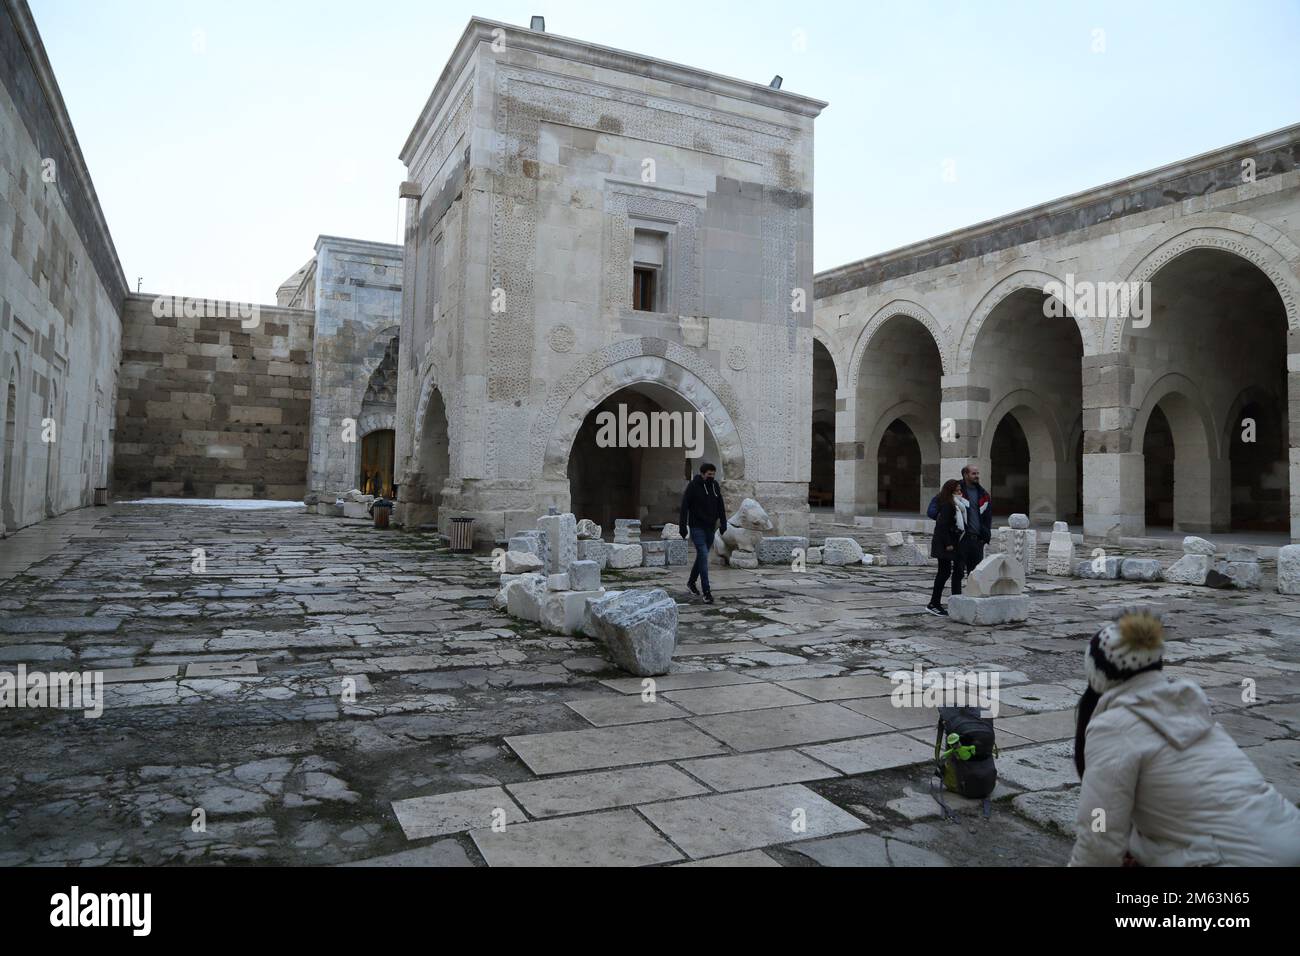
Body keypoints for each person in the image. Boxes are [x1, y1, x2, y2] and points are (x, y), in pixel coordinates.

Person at [1069, 605, 1300, 867]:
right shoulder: (1190, 709)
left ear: (1097, 676)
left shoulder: (1114, 727)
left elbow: (1099, 836)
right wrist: (1139, 847)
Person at [678, 462, 727, 603]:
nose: (711, 477)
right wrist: (682, 526)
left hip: (710, 528)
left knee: (701, 556)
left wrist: (723, 523)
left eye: (713, 474)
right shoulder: (693, 486)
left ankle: (691, 583)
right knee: (704, 555)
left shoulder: (715, 486)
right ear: (703, 473)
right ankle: (707, 591)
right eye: (709, 474)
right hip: (696, 527)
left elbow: (720, 505)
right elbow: (684, 507)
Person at [927, 478, 969, 616]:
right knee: (943, 573)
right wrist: (948, 544)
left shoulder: (957, 505)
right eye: (957, 490)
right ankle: (934, 603)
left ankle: (950, 601)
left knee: (955, 571)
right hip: (945, 544)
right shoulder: (948, 504)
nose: (960, 492)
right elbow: (942, 525)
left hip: (953, 543)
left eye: (960, 490)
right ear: (950, 491)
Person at [958, 463, 991, 568]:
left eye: (977, 473)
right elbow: (936, 506)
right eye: (973, 473)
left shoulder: (983, 494)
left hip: (977, 540)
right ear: (965, 475)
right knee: (958, 572)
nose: (977, 476)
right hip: (961, 539)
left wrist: (985, 536)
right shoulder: (956, 490)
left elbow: (987, 518)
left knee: (975, 573)